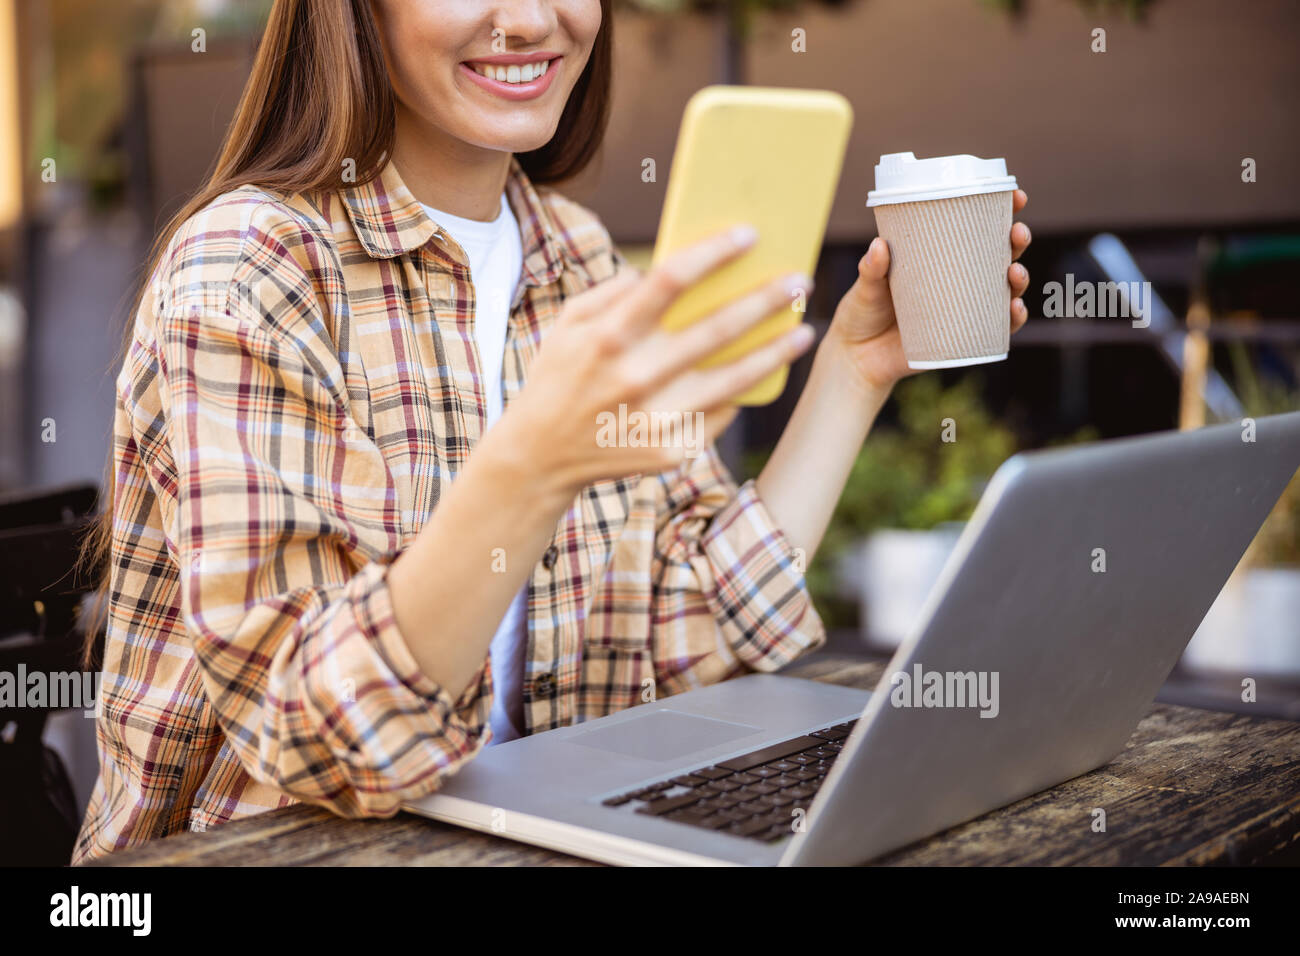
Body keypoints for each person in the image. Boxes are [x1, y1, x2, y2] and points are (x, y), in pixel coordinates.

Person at [73, 0, 1031, 863]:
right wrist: (530, 467)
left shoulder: (579, 257)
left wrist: (855, 372)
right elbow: (322, 741)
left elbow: (686, 643)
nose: (531, 19)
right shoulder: (253, 269)